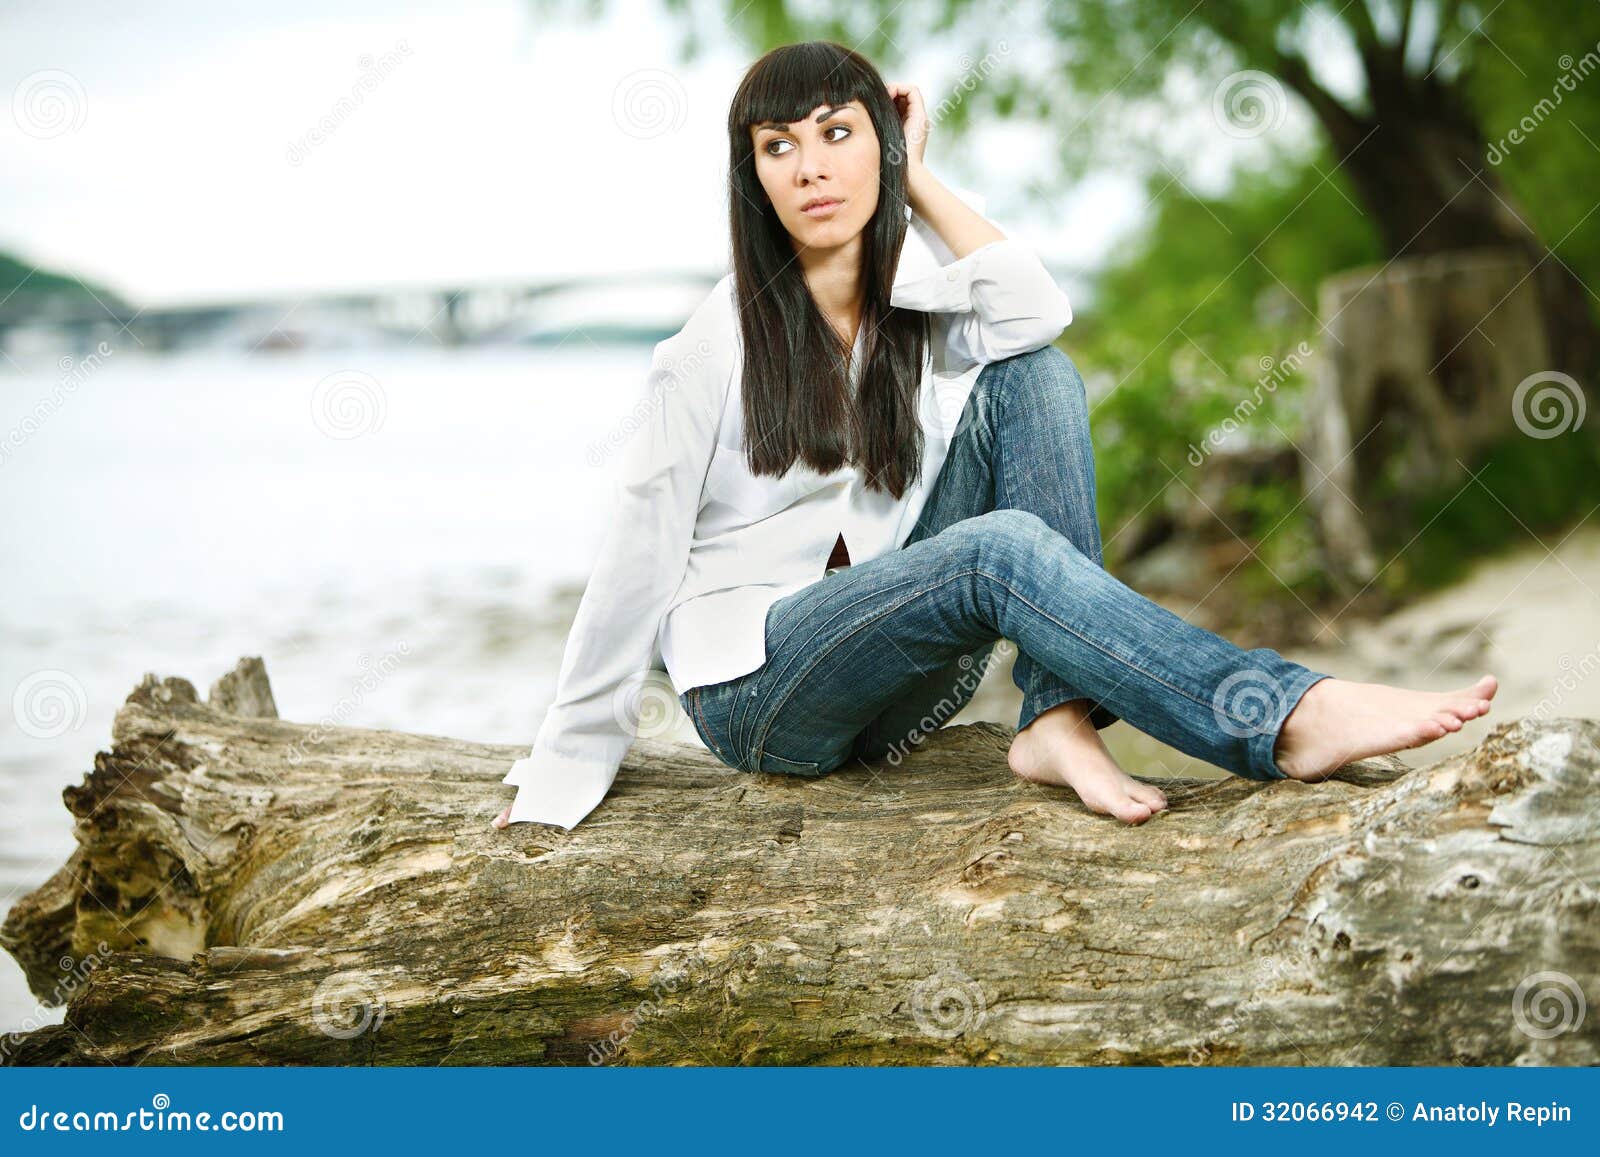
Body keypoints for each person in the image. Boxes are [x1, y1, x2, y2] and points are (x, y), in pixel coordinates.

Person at [494, 40, 1496, 832]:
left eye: (837, 134)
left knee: (1036, 373)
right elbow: (635, 556)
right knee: (996, 553)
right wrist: (565, 759)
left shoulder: (912, 306)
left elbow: (1036, 309)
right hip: (762, 693)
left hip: (894, 687)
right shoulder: (710, 344)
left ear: (878, 146)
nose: (809, 167)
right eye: (777, 145)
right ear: (751, 174)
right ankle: (1279, 713)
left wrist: (917, 175)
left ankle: (1055, 717)